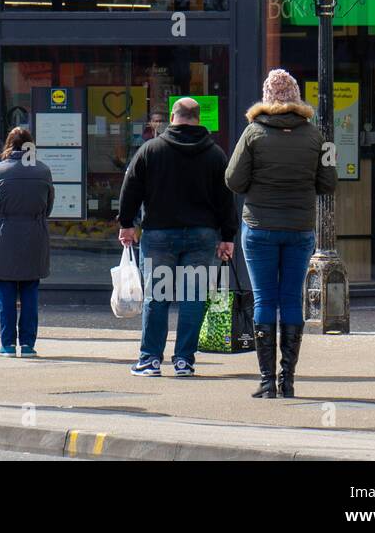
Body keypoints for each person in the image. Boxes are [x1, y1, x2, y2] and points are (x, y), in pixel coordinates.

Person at [226, 69, 336, 398]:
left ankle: (265, 382)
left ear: (267, 97)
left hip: (259, 226)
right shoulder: (315, 136)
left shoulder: (253, 133)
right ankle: (288, 380)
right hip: (299, 228)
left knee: (264, 300)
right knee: (290, 300)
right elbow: (329, 183)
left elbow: (233, 180)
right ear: (296, 97)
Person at [117, 97, 237, 377]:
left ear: (173, 117)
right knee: (193, 298)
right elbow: (225, 198)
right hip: (202, 235)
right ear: (198, 118)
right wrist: (227, 236)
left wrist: (127, 223)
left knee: (157, 298)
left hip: (159, 235)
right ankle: (184, 360)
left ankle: (150, 360)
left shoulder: (151, 150)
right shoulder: (215, 154)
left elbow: (131, 188)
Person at [0, 126, 53, 357]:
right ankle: (29, 344)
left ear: (8, 145)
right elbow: (48, 206)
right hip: (34, 235)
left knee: (6, 292)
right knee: (31, 291)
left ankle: (8, 344)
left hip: (3, 235)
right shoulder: (43, 171)